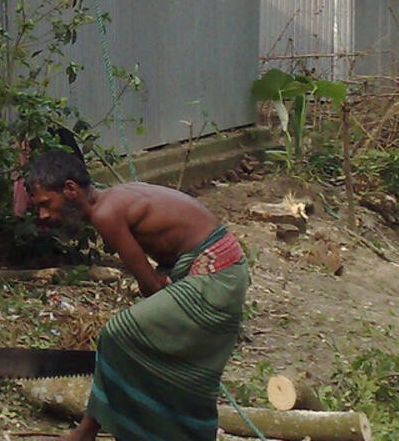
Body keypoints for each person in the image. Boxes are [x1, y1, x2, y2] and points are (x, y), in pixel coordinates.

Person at [25, 150, 250, 441]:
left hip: (217, 277)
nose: (43, 215)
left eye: (46, 204)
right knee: (131, 339)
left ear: (70, 189)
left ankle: (87, 432)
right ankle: (90, 431)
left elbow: (150, 286)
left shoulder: (106, 214)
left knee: (117, 333)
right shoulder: (113, 199)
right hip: (218, 270)